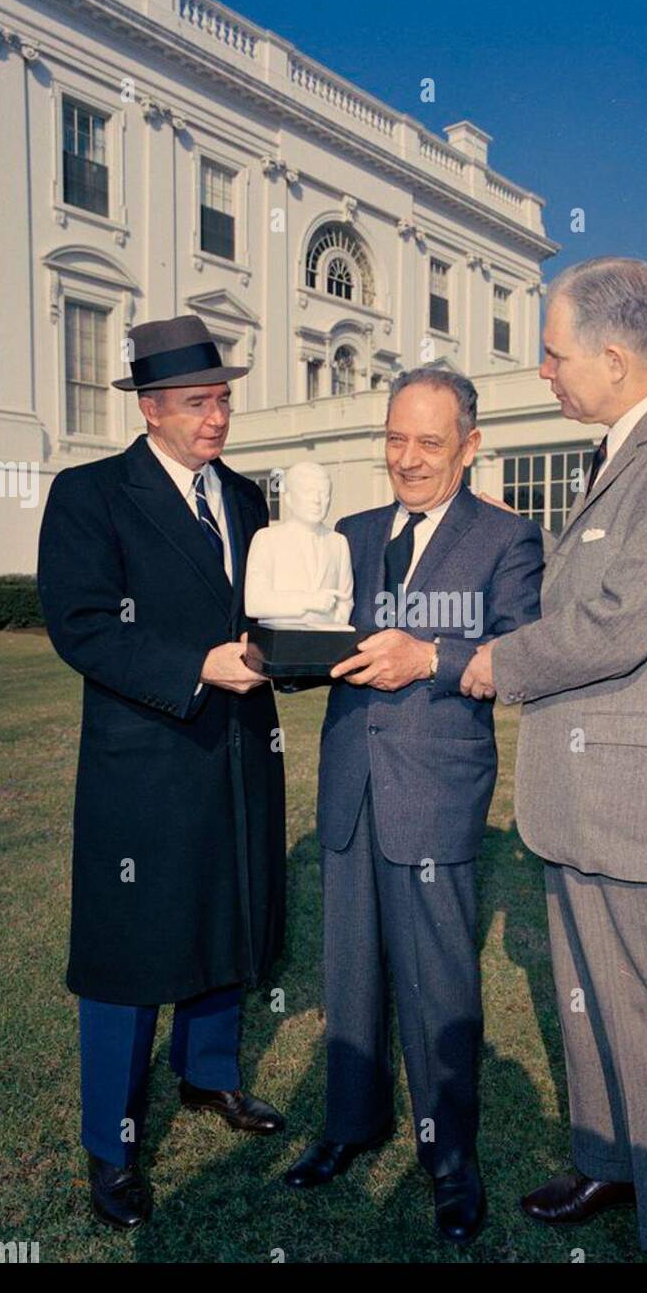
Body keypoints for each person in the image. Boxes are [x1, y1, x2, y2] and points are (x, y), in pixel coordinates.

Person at [462, 257, 647, 1262]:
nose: (544, 372)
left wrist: (491, 659)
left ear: (615, 357)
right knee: (589, 997)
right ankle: (610, 1161)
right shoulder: (628, 447)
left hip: (642, 800)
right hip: (585, 792)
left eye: (553, 354)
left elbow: (618, 624)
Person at [37, 314, 288, 1230]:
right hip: (144, 763)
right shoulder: (90, 494)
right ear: (150, 409)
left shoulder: (251, 499)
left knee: (228, 913)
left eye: (222, 399)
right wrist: (196, 666)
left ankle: (209, 1077)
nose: (217, 418)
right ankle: (112, 1142)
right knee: (130, 951)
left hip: (238, 753)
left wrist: (290, 652)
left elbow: (267, 613)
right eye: (196, 403)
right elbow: (83, 626)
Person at [282, 368, 543, 1244]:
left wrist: (427, 654)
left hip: (435, 793)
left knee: (439, 984)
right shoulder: (347, 535)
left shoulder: (507, 538)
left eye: (431, 442)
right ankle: (351, 1127)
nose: (409, 459)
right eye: (396, 439)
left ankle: (451, 1160)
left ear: (470, 447)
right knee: (348, 971)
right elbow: (312, 629)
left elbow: (517, 650)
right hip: (350, 786)